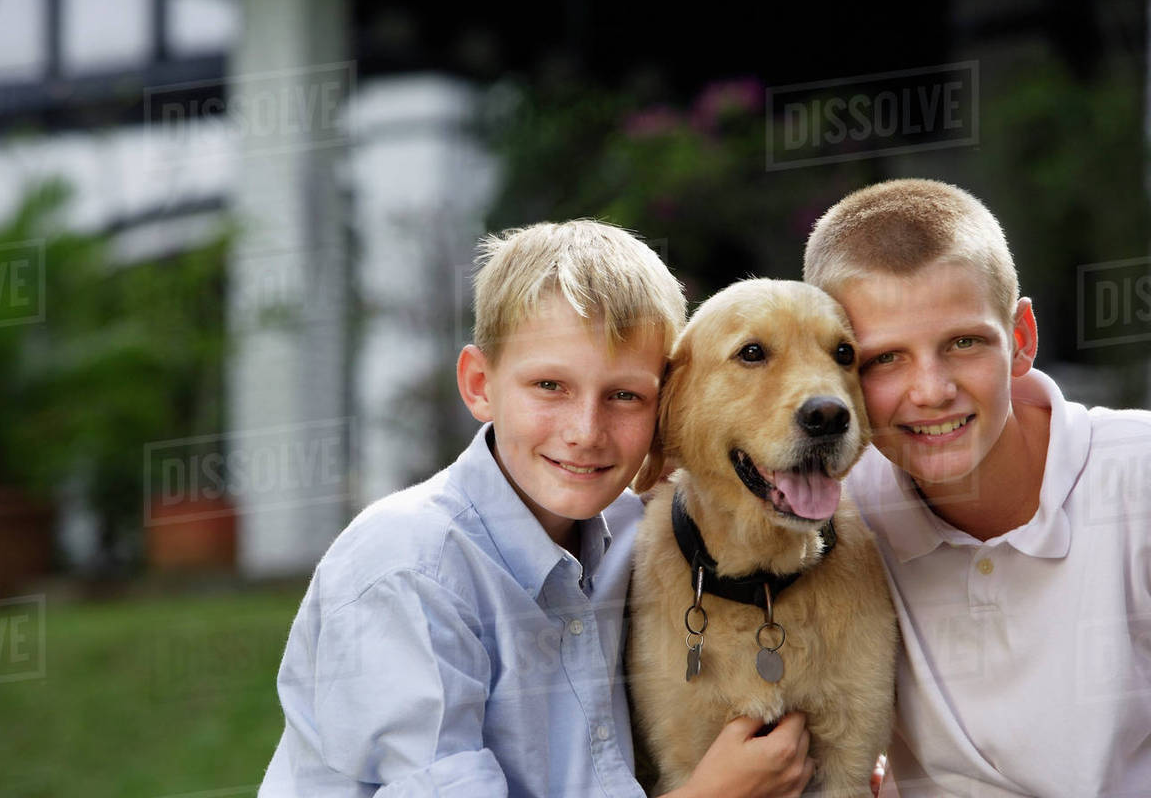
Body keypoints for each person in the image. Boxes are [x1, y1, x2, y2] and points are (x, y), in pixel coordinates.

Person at [259, 219, 816, 797]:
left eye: (626, 396)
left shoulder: (642, 538)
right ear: (480, 384)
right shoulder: (408, 568)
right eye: (550, 386)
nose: (585, 431)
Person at [803, 178, 1151, 797]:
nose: (932, 390)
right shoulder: (832, 509)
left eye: (963, 343)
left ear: (1020, 339)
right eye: (885, 359)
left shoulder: (1137, 476)